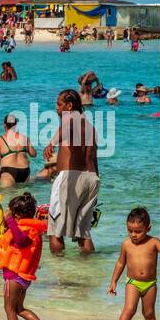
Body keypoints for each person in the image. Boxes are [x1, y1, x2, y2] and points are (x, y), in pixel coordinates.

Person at [43, 89, 99, 255]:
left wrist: (51, 143)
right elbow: (94, 159)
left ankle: (60, 275)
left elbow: (67, 126)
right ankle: (87, 271)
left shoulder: (70, 119)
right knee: (83, 234)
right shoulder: (90, 127)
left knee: (55, 231)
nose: (56, 108)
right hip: (92, 178)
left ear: (70, 105)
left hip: (70, 178)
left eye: (59, 104)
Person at [0, 191, 50, 320]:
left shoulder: (24, 230)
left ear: (16, 215)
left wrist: (9, 221)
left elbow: (22, 241)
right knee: (18, 309)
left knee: (9, 309)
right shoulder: (31, 228)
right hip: (22, 277)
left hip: (15, 277)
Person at [108, 207, 160, 320]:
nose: (133, 235)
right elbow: (120, 263)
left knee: (149, 313)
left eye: (138, 231)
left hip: (150, 284)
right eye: (130, 231)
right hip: (133, 283)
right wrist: (113, 281)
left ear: (148, 228)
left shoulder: (154, 242)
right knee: (129, 309)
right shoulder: (126, 244)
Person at [0, 114, 36, 187]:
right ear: (15, 125)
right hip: (25, 170)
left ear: (4, 125)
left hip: (8, 171)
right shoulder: (24, 138)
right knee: (24, 196)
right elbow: (34, 154)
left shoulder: (0, 140)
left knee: (7, 195)